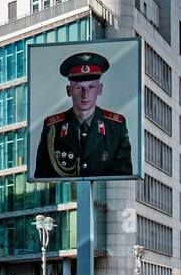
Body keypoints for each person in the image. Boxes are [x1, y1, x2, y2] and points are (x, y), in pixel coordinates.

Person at [33, 51, 133, 179]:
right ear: (69, 91)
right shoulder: (53, 127)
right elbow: (42, 176)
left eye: (91, 87)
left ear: (100, 89)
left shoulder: (115, 125)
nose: (85, 95)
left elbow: (124, 176)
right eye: (79, 88)